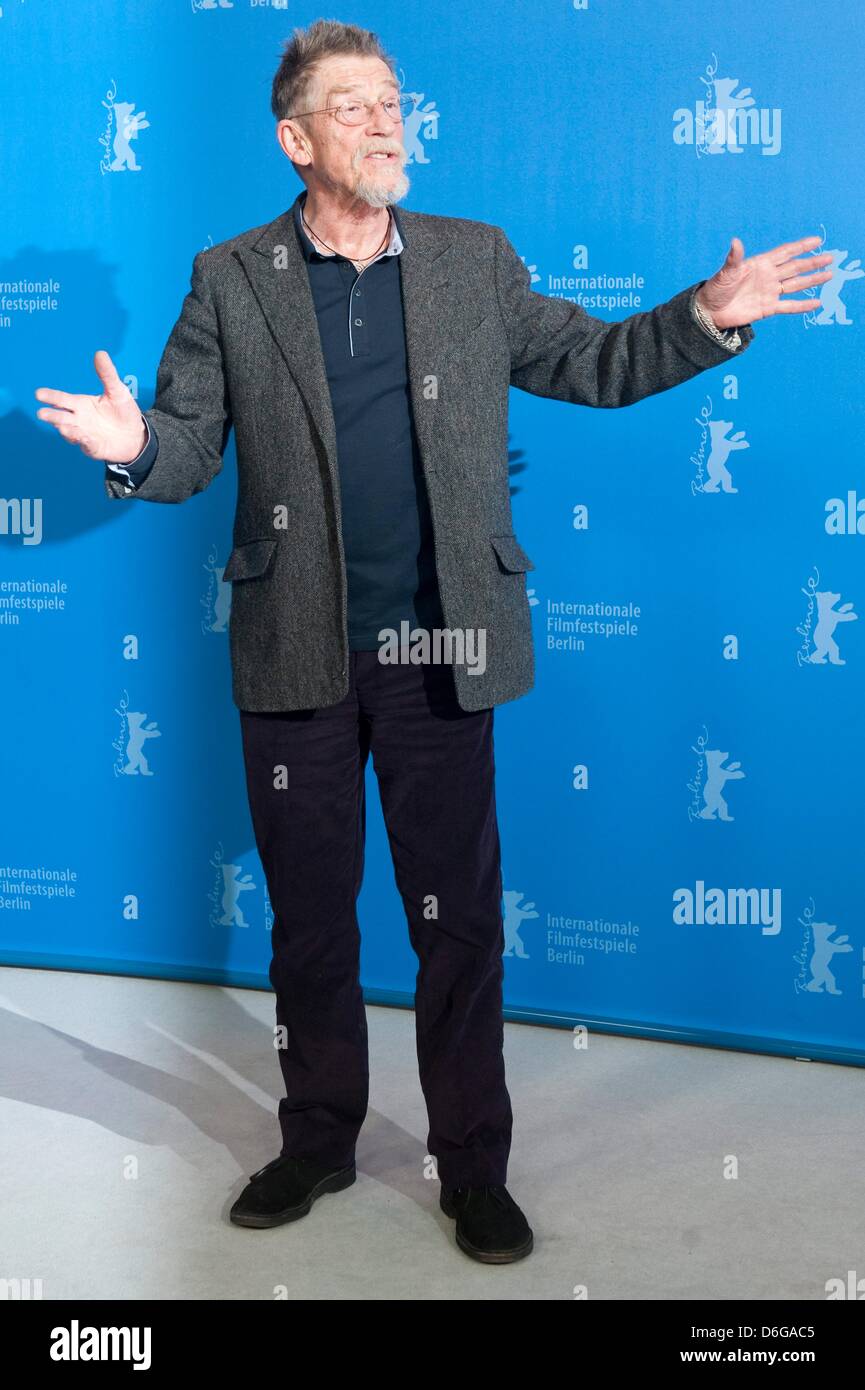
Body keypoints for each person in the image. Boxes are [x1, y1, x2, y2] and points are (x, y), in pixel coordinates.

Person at [34, 19, 833, 1266]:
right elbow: (187, 446)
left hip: (437, 657)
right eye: (353, 106)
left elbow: (594, 359)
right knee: (309, 922)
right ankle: (317, 1138)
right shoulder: (230, 277)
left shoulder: (472, 261)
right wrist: (134, 446)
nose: (385, 119)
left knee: (456, 921)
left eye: (393, 100)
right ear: (294, 139)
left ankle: (474, 1167)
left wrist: (706, 316)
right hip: (294, 651)